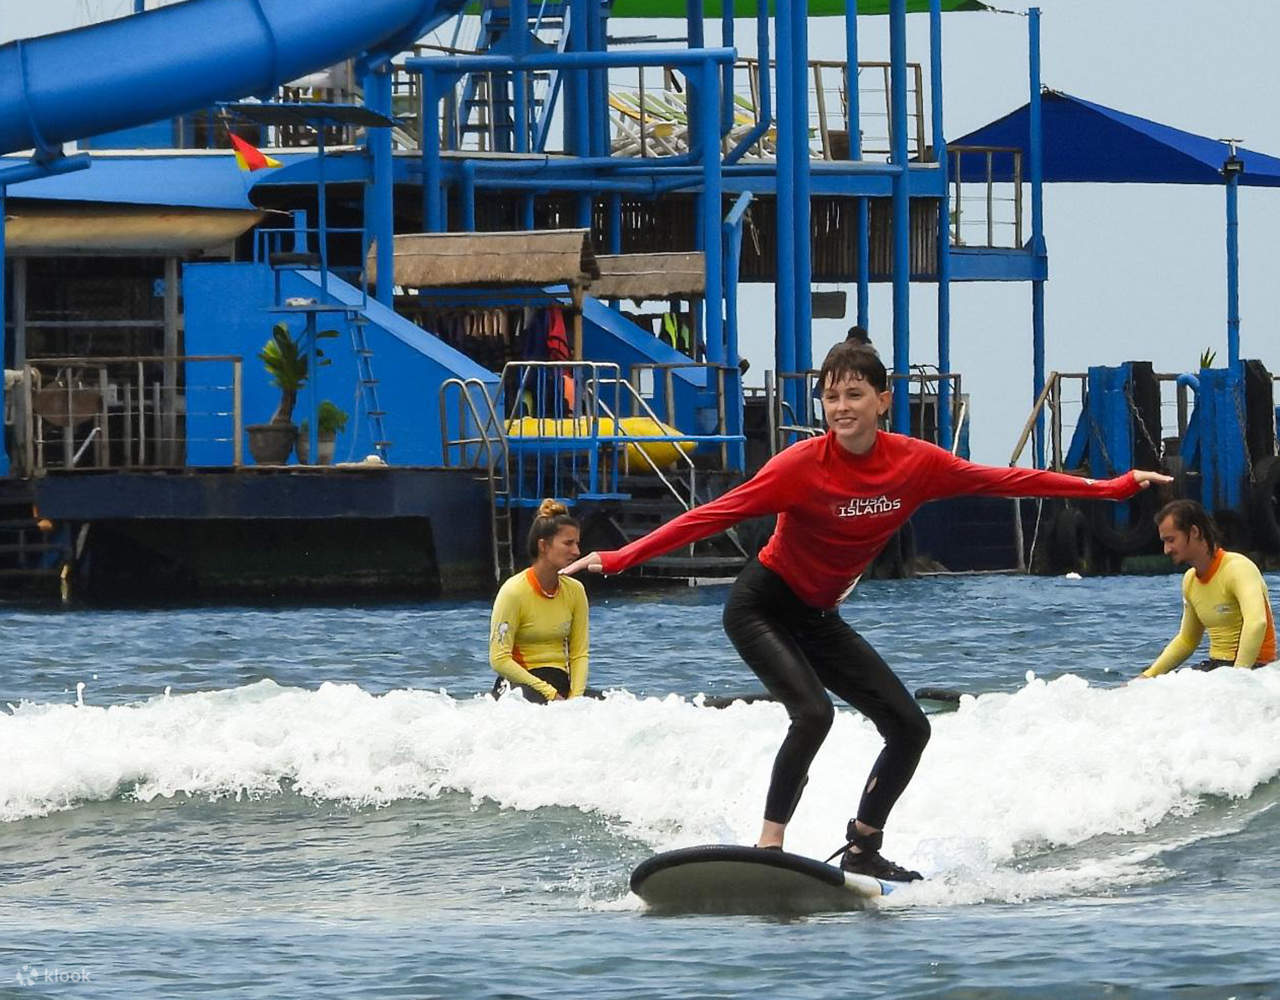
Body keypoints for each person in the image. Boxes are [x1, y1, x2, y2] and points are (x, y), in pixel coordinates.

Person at [563, 342, 1170, 881]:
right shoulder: (800, 467)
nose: (840, 406)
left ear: (883, 400)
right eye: (830, 396)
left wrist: (1111, 489)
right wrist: (621, 557)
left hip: (819, 616)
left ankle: (863, 848)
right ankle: (769, 845)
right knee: (813, 714)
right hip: (763, 604)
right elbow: (714, 514)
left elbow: (1007, 479)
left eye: (854, 394)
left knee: (911, 728)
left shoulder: (917, 464)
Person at [1138, 499, 1275, 677]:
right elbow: (1187, 641)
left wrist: (1238, 679)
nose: (1166, 549)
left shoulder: (1238, 568)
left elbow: (1257, 623)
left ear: (1194, 532)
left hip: (1256, 669)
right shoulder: (1189, 580)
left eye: (1171, 540)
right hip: (1216, 667)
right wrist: (1147, 677)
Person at [490, 499, 590, 703]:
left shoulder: (576, 591)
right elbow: (499, 658)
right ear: (543, 545)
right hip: (519, 685)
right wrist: (549, 693)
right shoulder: (513, 591)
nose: (577, 552)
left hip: (559, 683)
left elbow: (579, 654)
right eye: (568, 543)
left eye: (577, 543)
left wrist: (576, 701)